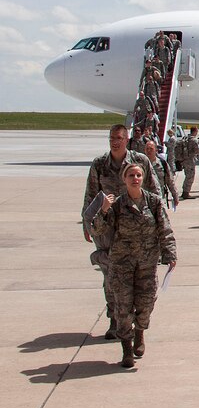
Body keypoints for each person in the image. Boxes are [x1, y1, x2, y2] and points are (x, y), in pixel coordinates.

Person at [89, 163, 177, 369]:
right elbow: (97, 229)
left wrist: (170, 253)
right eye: (131, 175)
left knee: (146, 303)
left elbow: (165, 229)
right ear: (124, 179)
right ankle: (126, 348)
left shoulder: (154, 202)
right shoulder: (117, 205)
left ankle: (140, 332)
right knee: (123, 307)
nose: (135, 178)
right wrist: (103, 210)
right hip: (122, 264)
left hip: (147, 263)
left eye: (138, 175)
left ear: (143, 178)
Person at [83, 124, 161, 339]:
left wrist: (158, 224)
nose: (114, 141)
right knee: (111, 277)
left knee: (140, 278)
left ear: (126, 139)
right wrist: (87, 223)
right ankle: (114, 320)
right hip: (107, 229)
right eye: (111, 138)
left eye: (118, 137)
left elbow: (155, 192)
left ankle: (136, 323)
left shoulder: (139, 162)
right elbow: (90, 195)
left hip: (137, 228)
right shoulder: (99, 164)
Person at [144, 140, 179, 209]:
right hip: (144, 200)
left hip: (159, 199)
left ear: (156, 150)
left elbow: (170, 181)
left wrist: (175, 196)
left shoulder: (162, 164)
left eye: (151, 149)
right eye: (147, 149)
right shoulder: (140, 164)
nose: (149, 151)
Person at [180, 126, 199, 199]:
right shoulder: (194, 140)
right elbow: (197, 150)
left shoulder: (186, 138)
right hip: (190, 160)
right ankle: (186, 192)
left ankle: (184, 191)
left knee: (187, 176)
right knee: (190, 177)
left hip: (185, 160)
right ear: (195, 131)